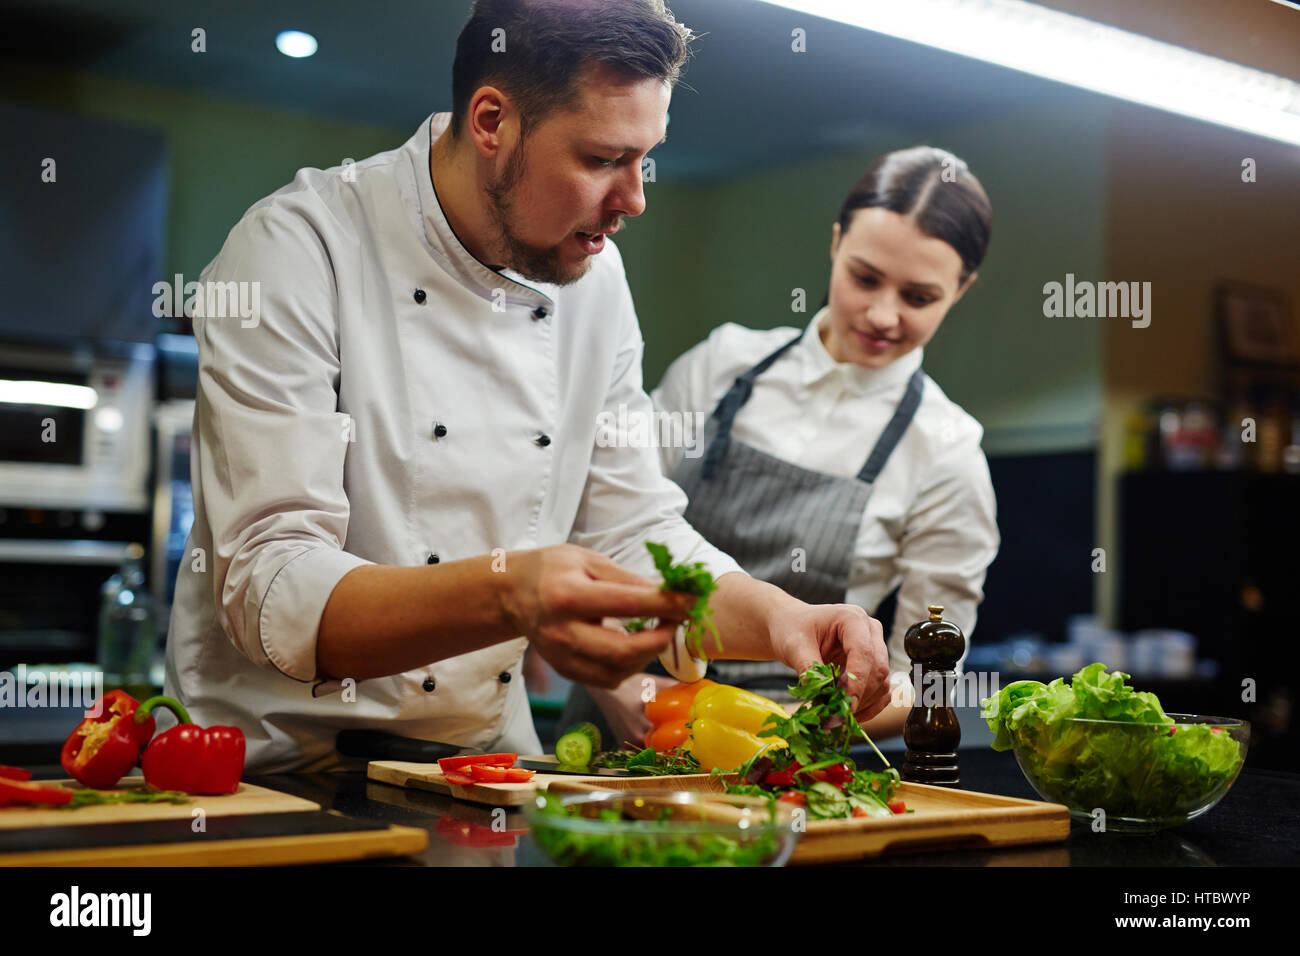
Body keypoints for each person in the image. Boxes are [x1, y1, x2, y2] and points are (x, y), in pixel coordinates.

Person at [164, 0, 894, 773]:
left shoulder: (595, 277)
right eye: (602, 159)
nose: (635, 199)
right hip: (270, 775)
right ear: (491, 122)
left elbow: (633, 532)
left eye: (645, 158)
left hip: (478, 772)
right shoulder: (297, 249)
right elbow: (271, 584)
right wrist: (513, 592)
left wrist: (785, 617)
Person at [567, 146, 1000, 746]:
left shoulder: (948, 454)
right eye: (865, 278)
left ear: (963, 288)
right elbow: (605, 526)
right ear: (834, 245)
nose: (882, 314)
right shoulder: (721, 366)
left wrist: (811, 721)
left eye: (919, 297)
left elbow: (926, 680)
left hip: (779, 753)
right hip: (618, 709)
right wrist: (616, 688)